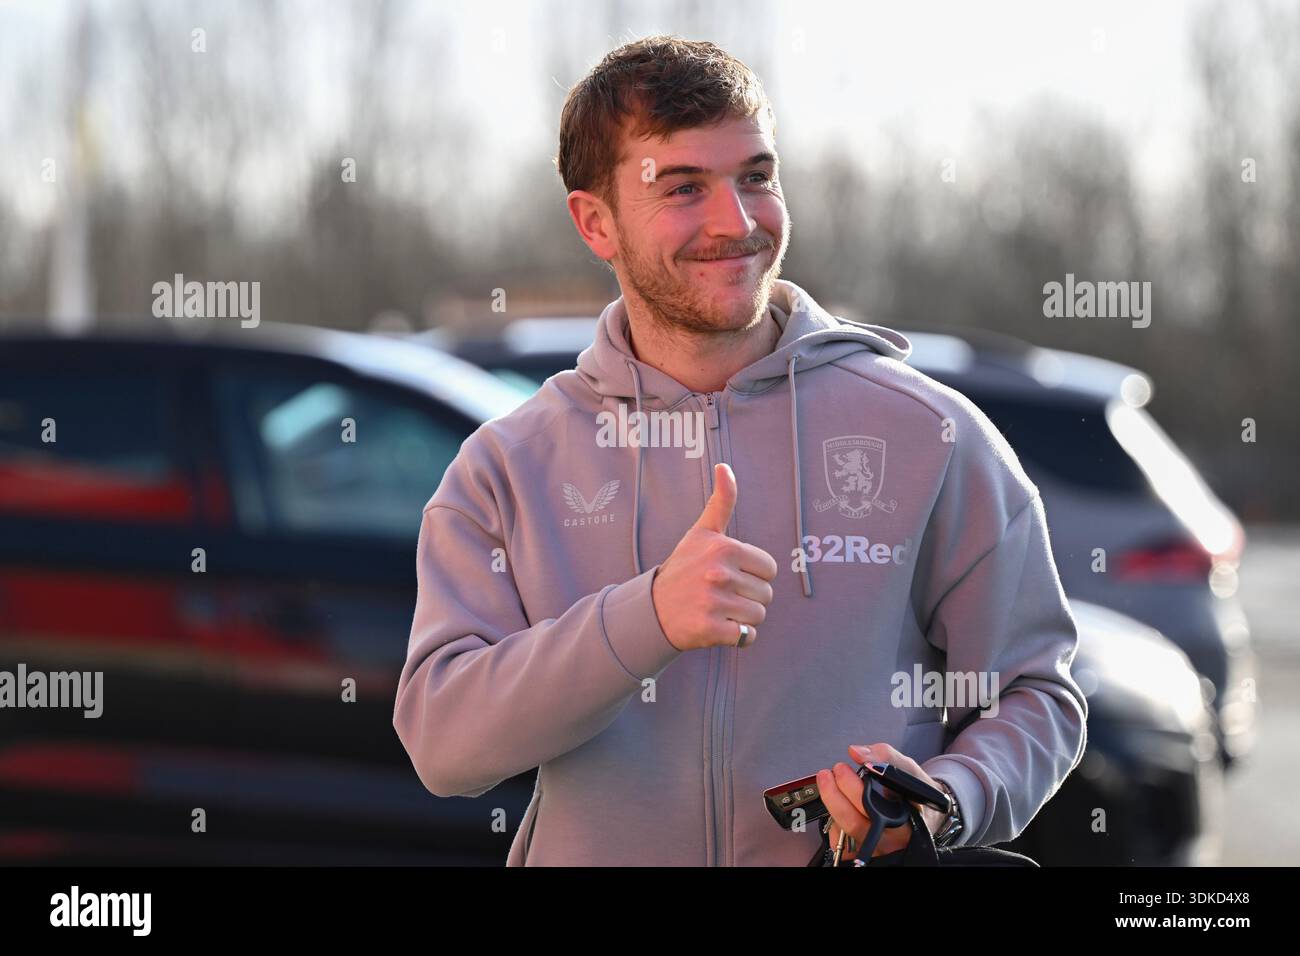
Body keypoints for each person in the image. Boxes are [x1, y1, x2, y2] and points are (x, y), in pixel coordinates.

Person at [392, 34, 1087, 865]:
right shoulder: (509, 465)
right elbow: (443, 744)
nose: (739, 221)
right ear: (596, 222)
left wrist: (943, 803)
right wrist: (647, 618)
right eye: (685, 187)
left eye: (756, 177)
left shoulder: (927, 431)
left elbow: (1035, 695)